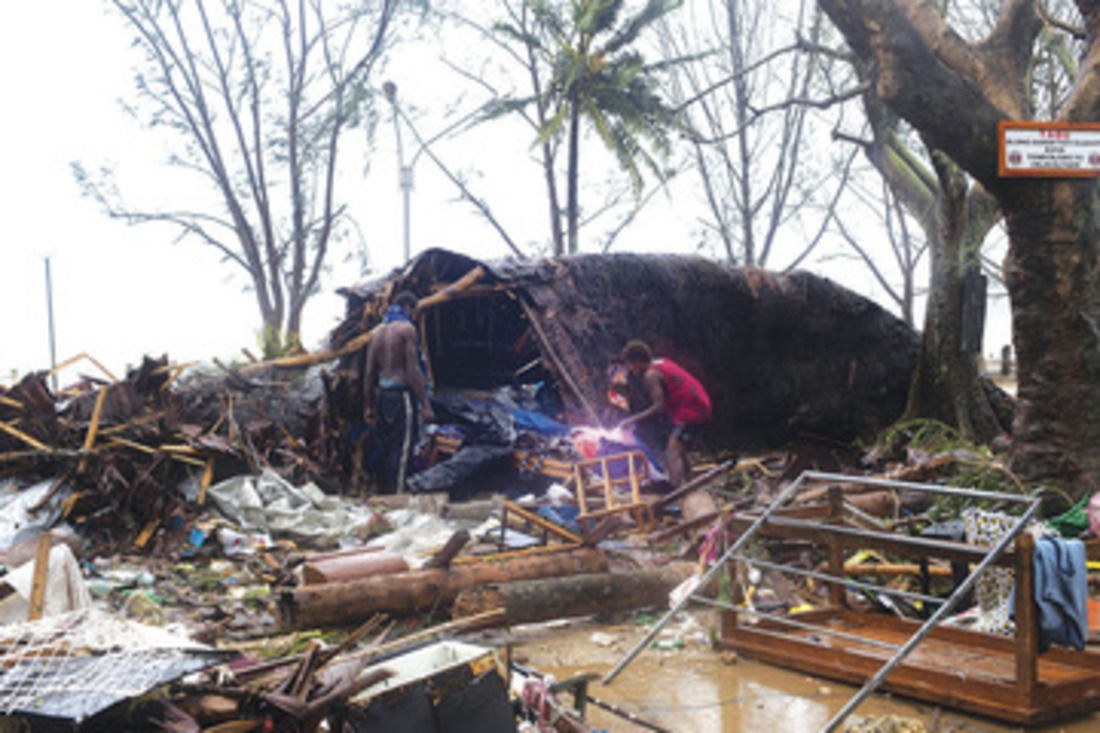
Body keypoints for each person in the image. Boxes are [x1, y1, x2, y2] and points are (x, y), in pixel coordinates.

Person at [363, 291, 434, 492]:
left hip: (381, 397)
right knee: (402, 448)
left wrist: (368, 405)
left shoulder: (376, 332)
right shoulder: (406, 330)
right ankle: (397, 494)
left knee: (384, 446)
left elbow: (369, 372)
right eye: (415, 311)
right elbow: (413, 370)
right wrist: (425, 405)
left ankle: (382, 492)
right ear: (409, 308)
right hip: (401, 396)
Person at [616, 340, 711, 487]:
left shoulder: (651, 375)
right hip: (696, 402)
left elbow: (658, 406)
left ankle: (674, 489)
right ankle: (690, 482)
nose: (630, 370)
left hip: (691, 409)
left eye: (630, 365)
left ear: (637, 362)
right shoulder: (661, 362)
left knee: (672, 450)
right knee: (678, 445)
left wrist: (631, 420)